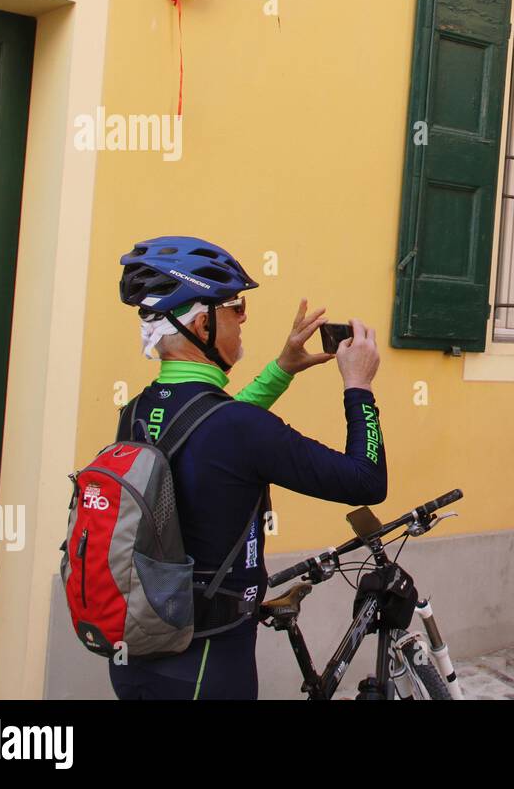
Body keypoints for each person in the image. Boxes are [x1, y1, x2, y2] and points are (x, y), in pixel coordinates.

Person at [110, 235, 386, 699]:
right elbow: (366, 480)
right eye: (235, 307)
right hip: (207, 668)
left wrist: (283, 368)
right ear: (202, 324)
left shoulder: (137, 409)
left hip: (136, 655)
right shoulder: (239, 428)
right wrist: (358, 387)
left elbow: (208, 430)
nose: (244, 316)